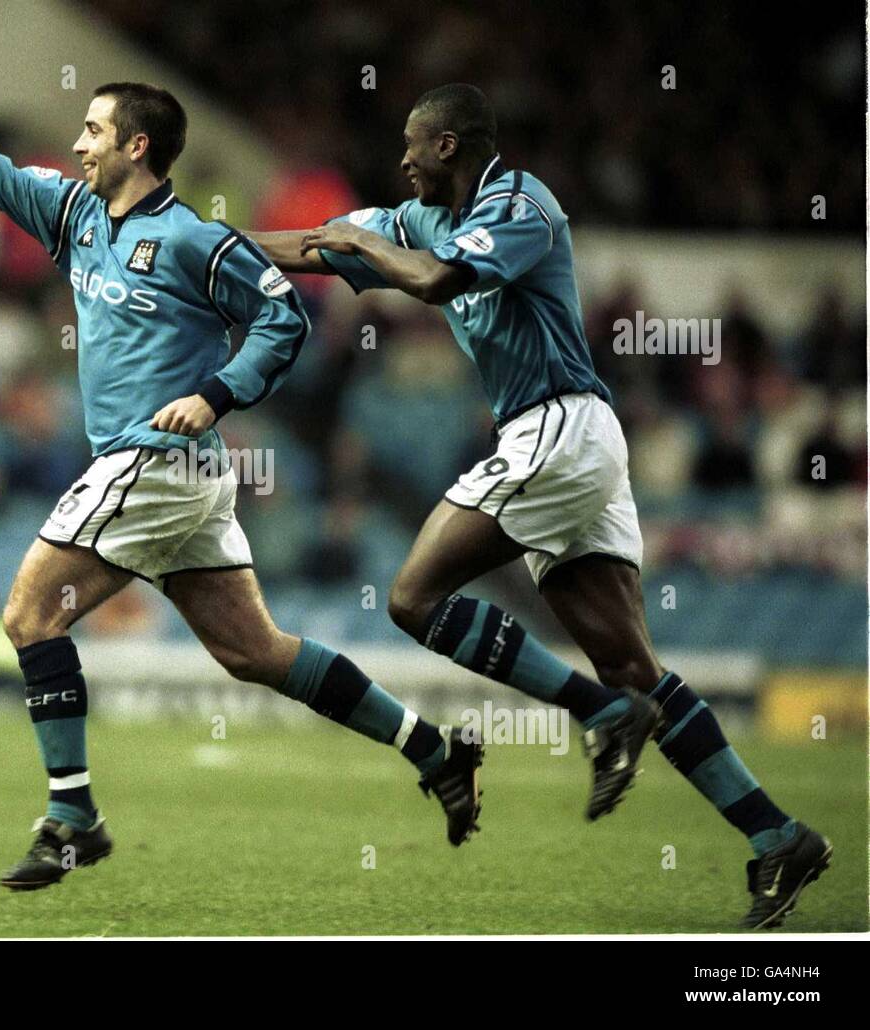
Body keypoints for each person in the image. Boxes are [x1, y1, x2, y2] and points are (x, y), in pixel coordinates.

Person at [0, 33, 486, 891]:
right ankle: (434, 751)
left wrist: (217, 394)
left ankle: (73, 817)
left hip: (158, 460)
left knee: (30, 616)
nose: (77, 144)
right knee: (256, 652)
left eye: (94, 129)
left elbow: (284, 319)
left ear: (136, 145)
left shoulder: (195, 241)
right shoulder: (73, 217)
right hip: (166, 476)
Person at [248, 83, 830, 930]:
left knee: (413, 598)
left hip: (560, 428)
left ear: (449, 146)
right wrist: (195, 242)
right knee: (635, 670)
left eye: (413, 145)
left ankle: (596, 717)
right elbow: (313, 246)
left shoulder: (522, 203)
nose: (401, 160)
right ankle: (777, 835)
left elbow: (441, 282)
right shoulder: (413, 222)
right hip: (565, 445)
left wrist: (357, 242)